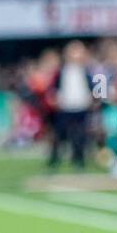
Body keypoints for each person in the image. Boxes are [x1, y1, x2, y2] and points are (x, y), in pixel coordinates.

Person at [49, 40, 95, 170]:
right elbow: (54, 88)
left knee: (80, 136)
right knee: (59, 135)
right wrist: (54, 99)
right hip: (65, 107)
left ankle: (79, 160)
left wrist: (93, 99)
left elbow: (94, 87)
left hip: (81, 107)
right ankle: (54, 160)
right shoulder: (61, 71)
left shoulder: (87, 71)